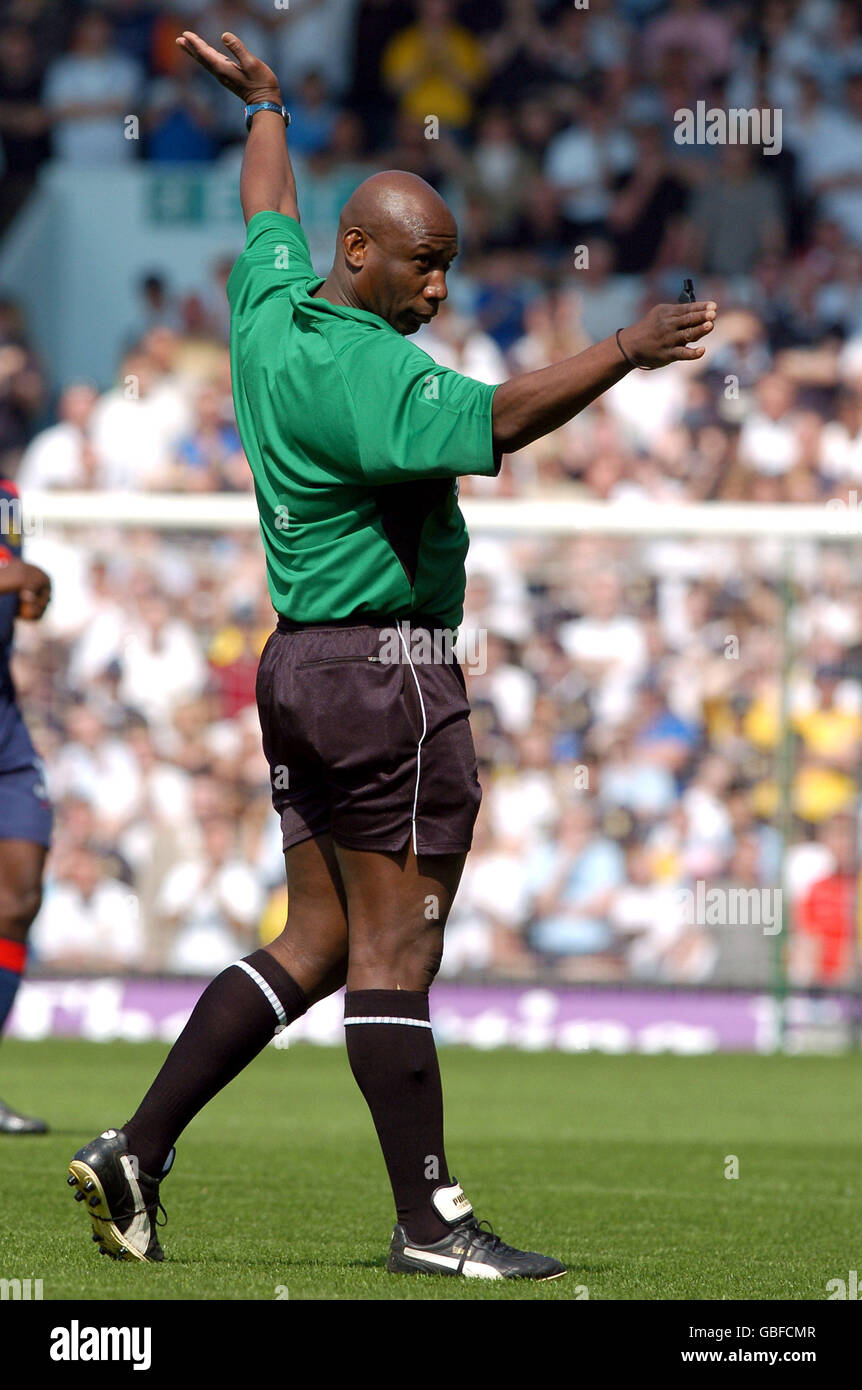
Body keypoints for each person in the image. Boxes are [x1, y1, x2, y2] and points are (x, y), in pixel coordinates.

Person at [67, 29, 715, 1279]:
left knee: (311, 945)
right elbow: (496, 418)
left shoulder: (271, 307)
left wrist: (268, 108)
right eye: (425, 270)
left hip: (297, 670)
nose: (436, 296)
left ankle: (138, 1147)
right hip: (388, 673)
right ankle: (429, 1222)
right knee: (394, 952)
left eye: (448, 273)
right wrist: (621, 352)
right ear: (361, 257)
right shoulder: (369, 371)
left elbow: (267, 212)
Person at [0, 477, 52, 1132]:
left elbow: (29, 596)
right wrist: (20, 579)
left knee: (19, 898)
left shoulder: (7, 493)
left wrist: (37, 588)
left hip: (6, 735)